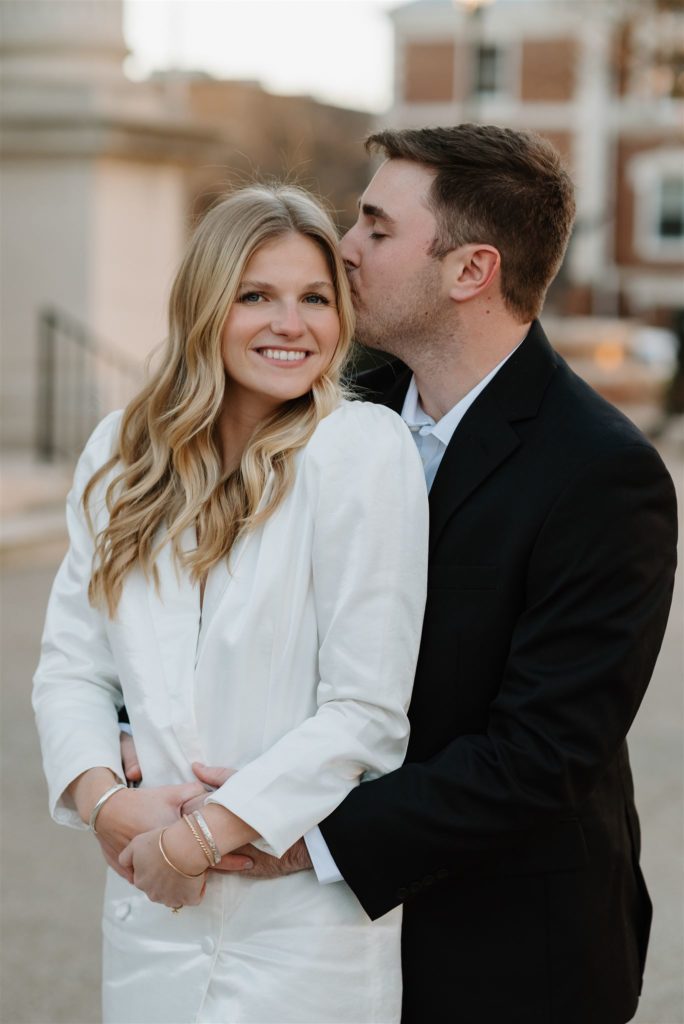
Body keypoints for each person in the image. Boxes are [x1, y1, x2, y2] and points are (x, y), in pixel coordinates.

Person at [147, 125, 677, 1024]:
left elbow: (541, 752)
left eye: (376, 228)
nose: (344, 246)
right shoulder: (325, 398)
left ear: (470, 270)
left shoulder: (601, 473)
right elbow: (196, 576)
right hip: (308, 946)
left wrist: (300, 837)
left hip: (505, 952)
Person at [32, 184, 429, 1024]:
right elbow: (72, 664)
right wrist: (103, 801)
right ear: (205, 305)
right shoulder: (122, 453)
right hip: (150, 907)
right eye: (257, 296)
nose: (292, 324)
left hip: (299, 921)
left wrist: (200, 836)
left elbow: (366, 711)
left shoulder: (361, 450)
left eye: (315, 299)